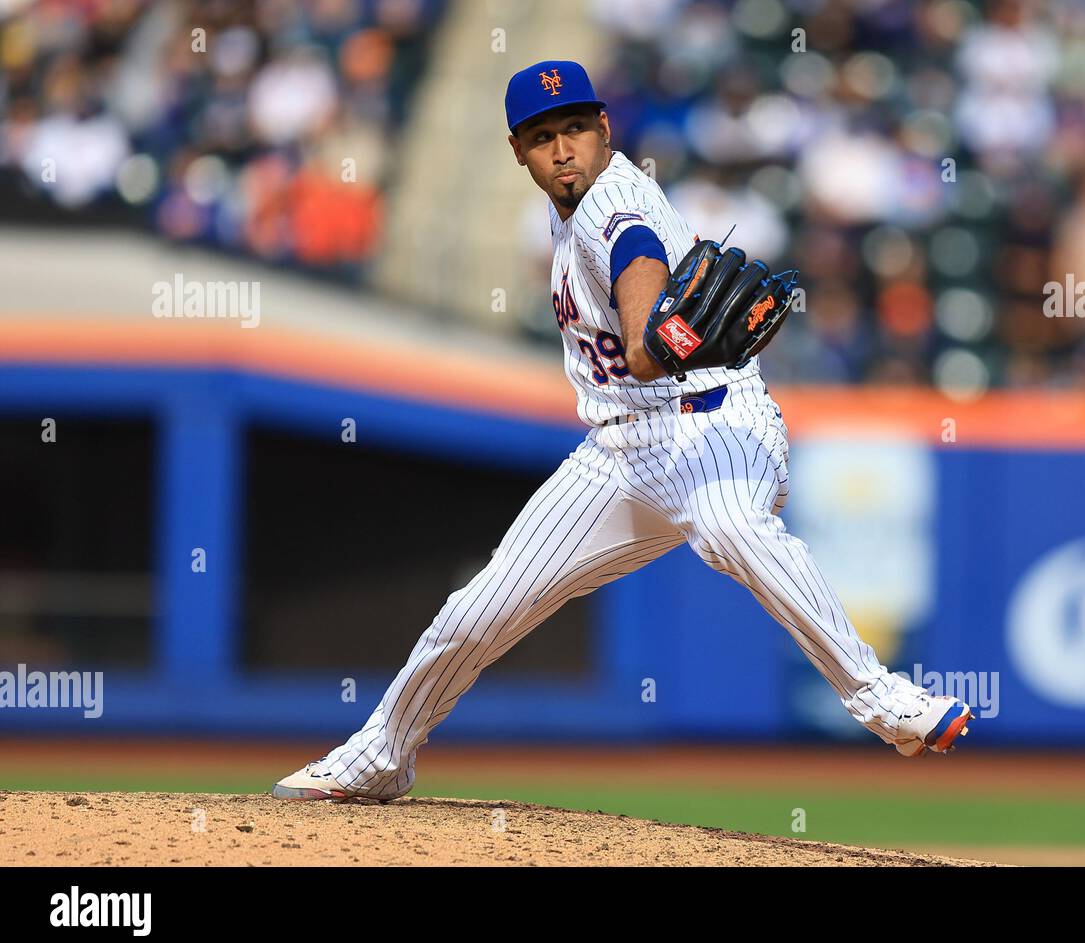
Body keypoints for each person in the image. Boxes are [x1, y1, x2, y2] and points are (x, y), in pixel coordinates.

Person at [273, 60, 971, 802]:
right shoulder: (562, 206)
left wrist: (646, 341)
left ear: (604, 128)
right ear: (519, 152)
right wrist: (644, 349)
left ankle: (885, 701)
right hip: (619, 452)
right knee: (478, 609)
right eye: (544, 136)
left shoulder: (614, 202)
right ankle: (380, 756)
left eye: (576, 127)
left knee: (730, 524)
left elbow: (635, 253)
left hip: (711, 423)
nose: (564, 148)